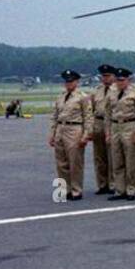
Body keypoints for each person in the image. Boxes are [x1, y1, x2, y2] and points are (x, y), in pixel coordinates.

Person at [49, 69, 93, 200]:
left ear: (77, 82)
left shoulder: (82, 97)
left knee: (75, 162)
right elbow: (54, 116)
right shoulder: (61, 97)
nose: (68, 84)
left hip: (75, 129)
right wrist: (52, 134)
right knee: (61, 163)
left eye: (71, 81)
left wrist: (86, 135)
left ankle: (76, 190)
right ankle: (64, 190)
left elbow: (88, 117)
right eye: (66, 82)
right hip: (61, 129)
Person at [107, 68, 135, 200]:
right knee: (117, 161)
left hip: (130, 125)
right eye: (117, 80)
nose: (119, 82)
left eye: (122, 80)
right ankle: (119, 190)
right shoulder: (111, 93)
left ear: (127, 80)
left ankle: (131, 189)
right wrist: (108, 132)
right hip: (115, 126)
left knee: (131, 160)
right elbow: (108, 114)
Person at [88, 64, 116, 196]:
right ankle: (102, 184)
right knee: (99, 156)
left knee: (112, 156)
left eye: (108, 76)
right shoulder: (96, 91)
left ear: (113, 76)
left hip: (111, 123)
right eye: (103, 76)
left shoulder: (117, 90)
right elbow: (90, 111)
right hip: (98, 122)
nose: (105, 79)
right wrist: (90, 129)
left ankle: (113, 183)